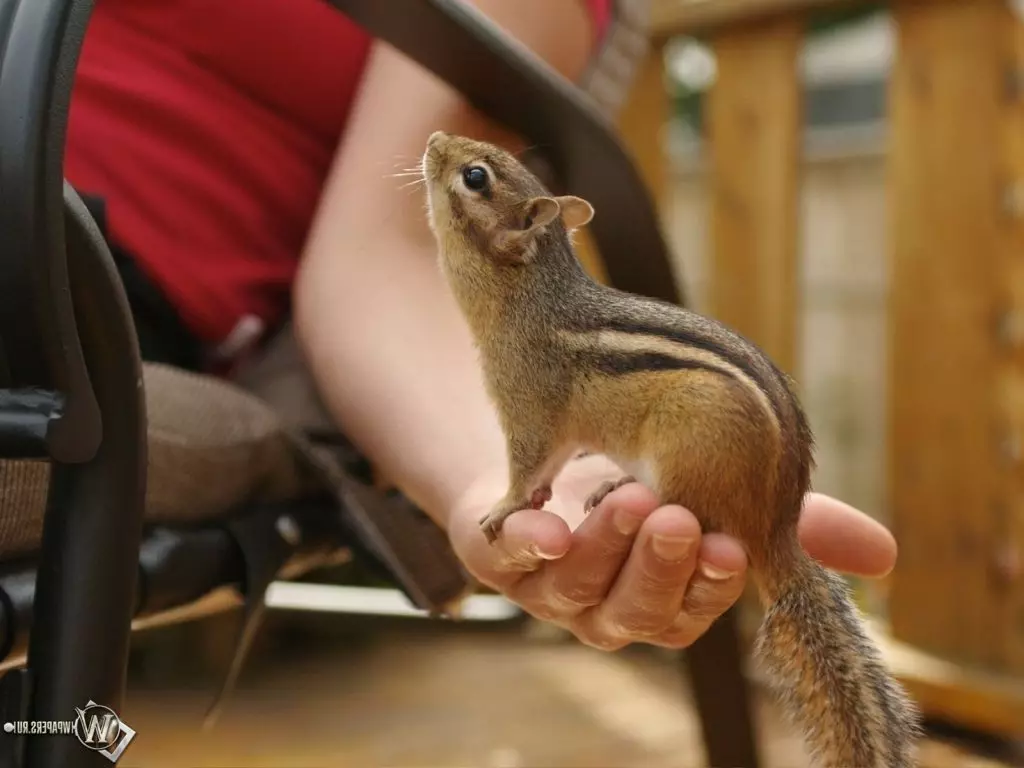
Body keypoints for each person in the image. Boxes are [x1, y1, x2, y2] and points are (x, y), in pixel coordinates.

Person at [65, 0, 897, 651]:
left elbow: (382, 264)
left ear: (516, 232)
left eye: (464, 175)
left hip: (85, 273)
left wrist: (493, 494)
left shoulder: (525, 327)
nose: (437, 155)